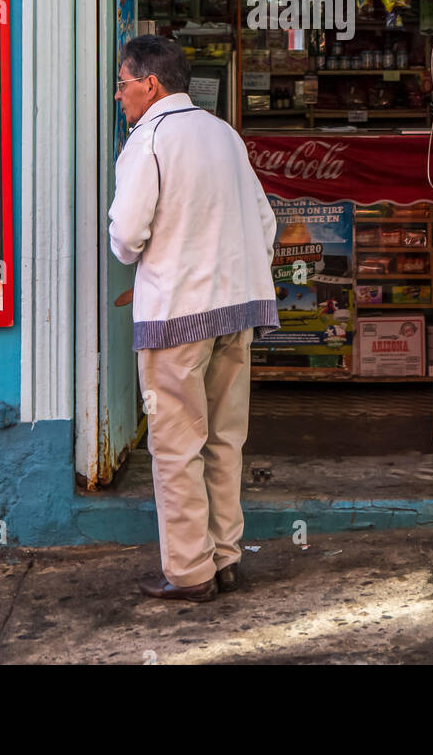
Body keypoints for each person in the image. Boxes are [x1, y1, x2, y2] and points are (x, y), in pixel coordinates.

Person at [109, 35, 278, 603]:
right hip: (238, 310)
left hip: (177, 319)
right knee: (225, 439)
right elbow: (264, 219)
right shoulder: (223, 133)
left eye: (124, 83)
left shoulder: (149, 138)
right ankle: (226, 558)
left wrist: (161, 263)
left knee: (177, 445)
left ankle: (189, 573)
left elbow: (127, 236)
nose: (119, 94)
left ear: (149, 84)